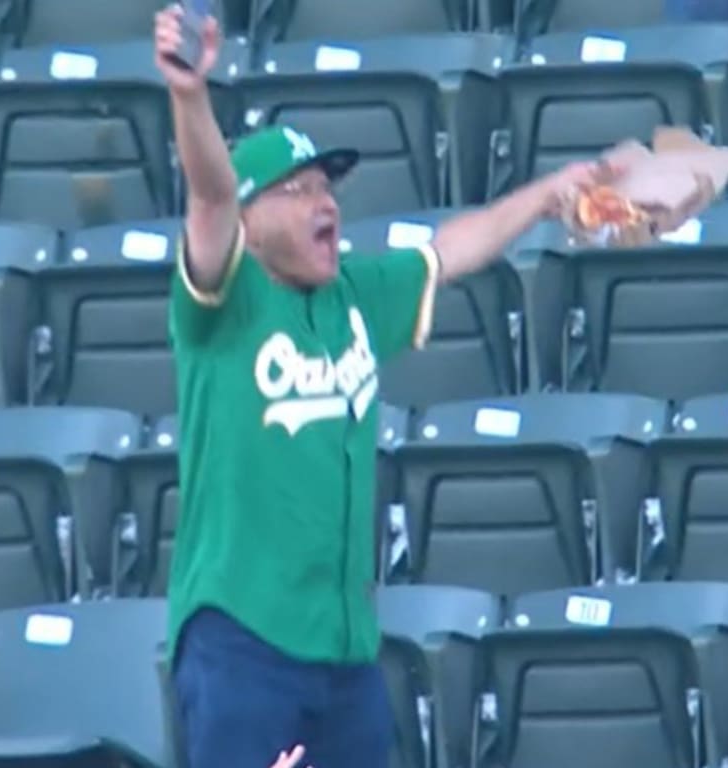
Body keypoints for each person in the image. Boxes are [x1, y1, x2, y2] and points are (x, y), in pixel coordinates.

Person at [151, 6, 619, 768]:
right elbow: (208, 196)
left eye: (327, 187)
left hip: (345, 654)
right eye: (297, 190)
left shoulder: (357, 297)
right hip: (242, 642)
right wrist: (190, 95)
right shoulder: (223, 305)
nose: (326, 203)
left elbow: (448, 251)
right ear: (249, 219)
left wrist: (546, 195)